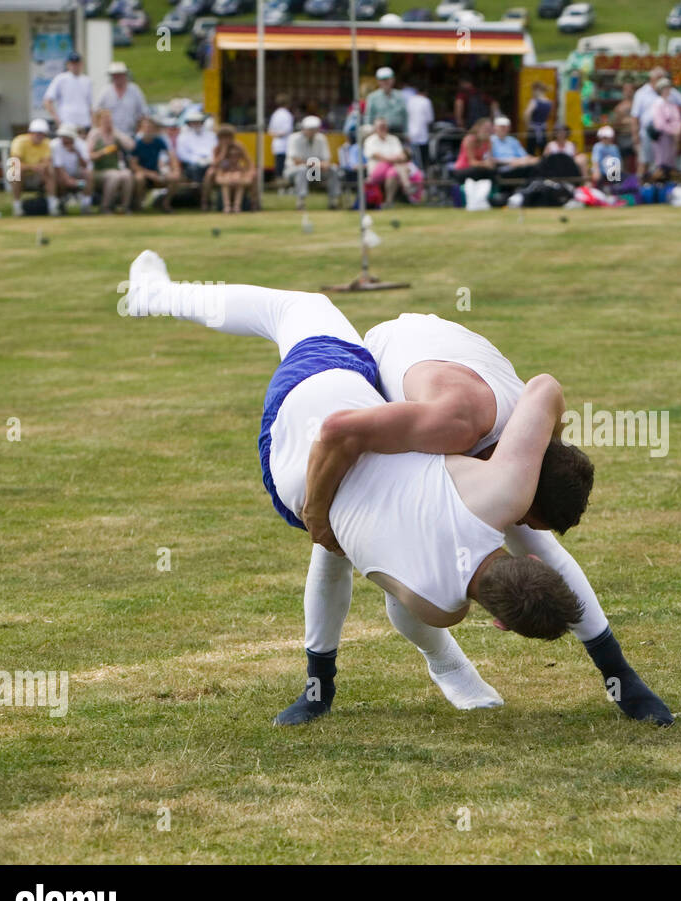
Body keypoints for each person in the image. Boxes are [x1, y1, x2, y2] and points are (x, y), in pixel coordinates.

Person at [123, 252, 600, 726]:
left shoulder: (498, 491)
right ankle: (426, 675)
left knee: (297, 309)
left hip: (321, 415)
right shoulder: (439, 609)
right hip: (293, 478)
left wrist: (319, 510)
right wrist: (322, 518)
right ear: (497, 620)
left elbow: (542, 389)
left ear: (530, 560)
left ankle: (155, 296)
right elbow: (397, 590)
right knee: (342, 546)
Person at [291, 311, 673, 727]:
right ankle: (323, 685)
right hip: (381, 366)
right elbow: (341, 434)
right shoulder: (455, 437)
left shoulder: (516, 456)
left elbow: (545, 556)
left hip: (444, 349)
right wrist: (318, 513)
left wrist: (618, 672)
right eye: (526, 516)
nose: (521, 529)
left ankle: (618, 676)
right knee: (333, 550)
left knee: (416, 554)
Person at [632, 67, 681, 177]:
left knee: (665, 164)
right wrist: (635, 136)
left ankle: (663, 188)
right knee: (645, 162)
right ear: (652, 79)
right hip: (650, 134)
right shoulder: (643, 94)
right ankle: (641, 189)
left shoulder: (669, 95)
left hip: (666, 136)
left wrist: (674, 123)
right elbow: (635, 116)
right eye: (659, 78)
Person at [286, 115, 341, 211]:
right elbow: (296, 161)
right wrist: (316, 164)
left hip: (316, 172)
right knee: (302, 169)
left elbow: (326, 159)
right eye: (310, 129)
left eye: (314, 129)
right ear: (303, 129)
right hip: (293, 171)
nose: (312, 132)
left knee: (333, 169)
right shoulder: (294, 138)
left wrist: (325, 165)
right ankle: (301, 202)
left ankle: (333, 201)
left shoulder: (321, 138)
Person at [86, 108, 135, 214]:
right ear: (99, 120)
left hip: (115, 168)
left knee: (127, 175)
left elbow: (131, 146)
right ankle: (105, 207)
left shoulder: (115, 133)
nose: (108, 121)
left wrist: (116, 133)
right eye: (105, 119)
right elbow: (88, 155)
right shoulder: (95, 134)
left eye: (109, 119)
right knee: (114, 176)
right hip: (98, 171)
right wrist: (103, 152)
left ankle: (125, 207)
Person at [8, 118, 59, 216]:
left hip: (38, 176)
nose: (39, 136)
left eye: (42, 133)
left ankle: (52, 206)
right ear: (30, 132)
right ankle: (17, 206)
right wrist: (32, 167)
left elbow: (46, 162)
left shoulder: (47, 142)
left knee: (49, 169)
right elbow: (14, 163)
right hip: (21, 177)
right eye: (37, 133)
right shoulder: (19, 141)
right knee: (15, 171)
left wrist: (40, 167)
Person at [129, 116, 179, 213]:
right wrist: (149, 174)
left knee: (174, 178)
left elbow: (171, 156)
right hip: (143, 172)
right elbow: (134, 165)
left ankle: (165, 204)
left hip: (156, 172)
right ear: (141, 129)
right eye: (146, 127)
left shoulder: (158, 141)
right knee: (139, 178)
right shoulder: (137, 143)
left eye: (150, 127)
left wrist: (176, 170)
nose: (148, 130)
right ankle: (139, 204)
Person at [363, 115, 412, 206]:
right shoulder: (370, 140)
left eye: (384, 126)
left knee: (393, 172)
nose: (383, 128)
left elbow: (402, 156)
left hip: (392, 169)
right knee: (399, 165)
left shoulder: (394, 139)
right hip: (376, 172)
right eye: (380, 126)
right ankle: (407, 185)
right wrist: (395, 159)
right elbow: (379, 157)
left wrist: (395, 159)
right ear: (375, 128)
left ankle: (389, 201)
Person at [175, 107, 217, 207]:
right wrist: (196, 160)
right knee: (198, 170)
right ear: (189, 124)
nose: (196, 124)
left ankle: (204, 199)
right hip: (192, 165)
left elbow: (215, 149)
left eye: (198, 122)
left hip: (210, 163)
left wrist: (209, 159)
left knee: (210, 172)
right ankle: (202, 198)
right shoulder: (183, 137)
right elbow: (182, 154)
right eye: (193, 122)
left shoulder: (211, 135)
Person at [43, 52, 93, 131]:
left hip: (84, 123)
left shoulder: (87, 80)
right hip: (66, 122)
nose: (75, 66)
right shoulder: (61, 79)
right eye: (72, 63)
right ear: (68, 64)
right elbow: (47, 100)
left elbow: (89, 105)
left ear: (81, 64)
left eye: (77, 63)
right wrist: (56, 119)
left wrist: (92, 122)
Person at [95, 62, 147, 138]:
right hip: (111, 136)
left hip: (131, 134)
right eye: (114, 75)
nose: (117, 77)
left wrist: (140, 130)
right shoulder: (105, 91)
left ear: (125, 75)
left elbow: (143, 113)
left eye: (119, 74)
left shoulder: (135, 90)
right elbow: (96, 112)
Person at [212, 123, 254, 214]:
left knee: (239, 180)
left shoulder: (239, 146)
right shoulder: (217, 149)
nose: (226, 140)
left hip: (237, 173)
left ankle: (237, 206)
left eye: (228, 137)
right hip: (222, 174)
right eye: (223, 138)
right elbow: (215, 165)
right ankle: (227, 206)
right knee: (226, 181)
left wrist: (248, 174)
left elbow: (249, 163)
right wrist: (223, 151)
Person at [49, 122, 92, 212]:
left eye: (67, 136)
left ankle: (86, 204)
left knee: (88, 175)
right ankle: (59, 204)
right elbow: (58, 167)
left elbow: (85, 165)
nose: (64, 139)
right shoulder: (55, 145)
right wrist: (68, 180)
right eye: (63, 136)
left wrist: (77, 153)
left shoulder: (81, 145)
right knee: (56, 176)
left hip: (78, 179)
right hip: (61, 176)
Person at [648, 77, 681, 175]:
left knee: (671, 163)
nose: (667, 90)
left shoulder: (671, 103)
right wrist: (673, 131)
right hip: (662, 139)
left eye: (668, 88)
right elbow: (659, 124)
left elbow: (678, 119)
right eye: (665, 88)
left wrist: (678, 130)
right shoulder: (658, 103)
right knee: (661, 164)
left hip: (672, 139)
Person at [364, 66, 407, 142]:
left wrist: (407, 133)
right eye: (382, 80)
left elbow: (405, 116)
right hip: (380, 135)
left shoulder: (400, 96)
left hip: (398, 133)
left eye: (387, 79)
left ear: (393, 80)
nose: (385, 82)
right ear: (378, 81)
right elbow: (368, 117)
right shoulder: (372, 97)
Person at [453, 117, 496, 185]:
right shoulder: (470, 139)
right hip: (463, 169)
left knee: (493, 171)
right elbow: (472, 162)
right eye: (486, 129)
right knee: (483, 172)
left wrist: (490, 163)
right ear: (478, 128)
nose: (488, 131)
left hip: (479, 168)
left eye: (489, 129)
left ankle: (495, 194)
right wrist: (485, 164)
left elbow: (489, 159)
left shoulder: (488, 141)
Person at [405, 82, 434, 170]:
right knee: (422, 158)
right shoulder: (426, 101)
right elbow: (430, 119)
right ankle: (421, 174)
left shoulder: (410, 100)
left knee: (413, 157)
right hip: (422, 135)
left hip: (410, 133)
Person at [267, 93, 294, 179]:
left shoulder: (275, 114)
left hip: (276, 144)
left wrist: (276, 135)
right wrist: (279, 135)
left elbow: (270, 131)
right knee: (284, 166)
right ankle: (282, 184)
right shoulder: (287, 115)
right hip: (286, 144)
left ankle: (279, 182)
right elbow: (287, 131)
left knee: (278, 166)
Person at [525, 82, 553, 155]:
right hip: (543, 129)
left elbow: (527, 114)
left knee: (530, 151)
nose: (532, 92)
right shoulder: (549, 103)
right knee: (543, 151)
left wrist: (528, 125)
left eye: (533, 90)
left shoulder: (534, 102)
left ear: (537, 90)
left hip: (533, 129)